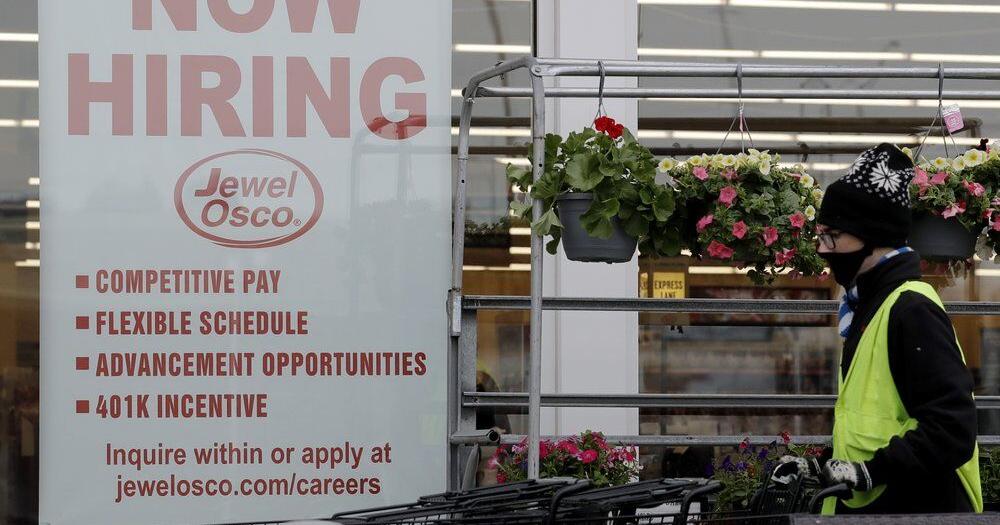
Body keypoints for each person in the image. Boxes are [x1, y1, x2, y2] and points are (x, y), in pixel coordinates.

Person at [772, 143, 982, 514]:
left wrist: (870, 472)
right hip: (882, 509)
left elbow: (952, 430)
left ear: (870, 235)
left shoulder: (911, 309)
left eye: (832, 235)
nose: (823, 248)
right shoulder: (870, 307)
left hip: (913, 511)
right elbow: (872, 423)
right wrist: (825, 464)